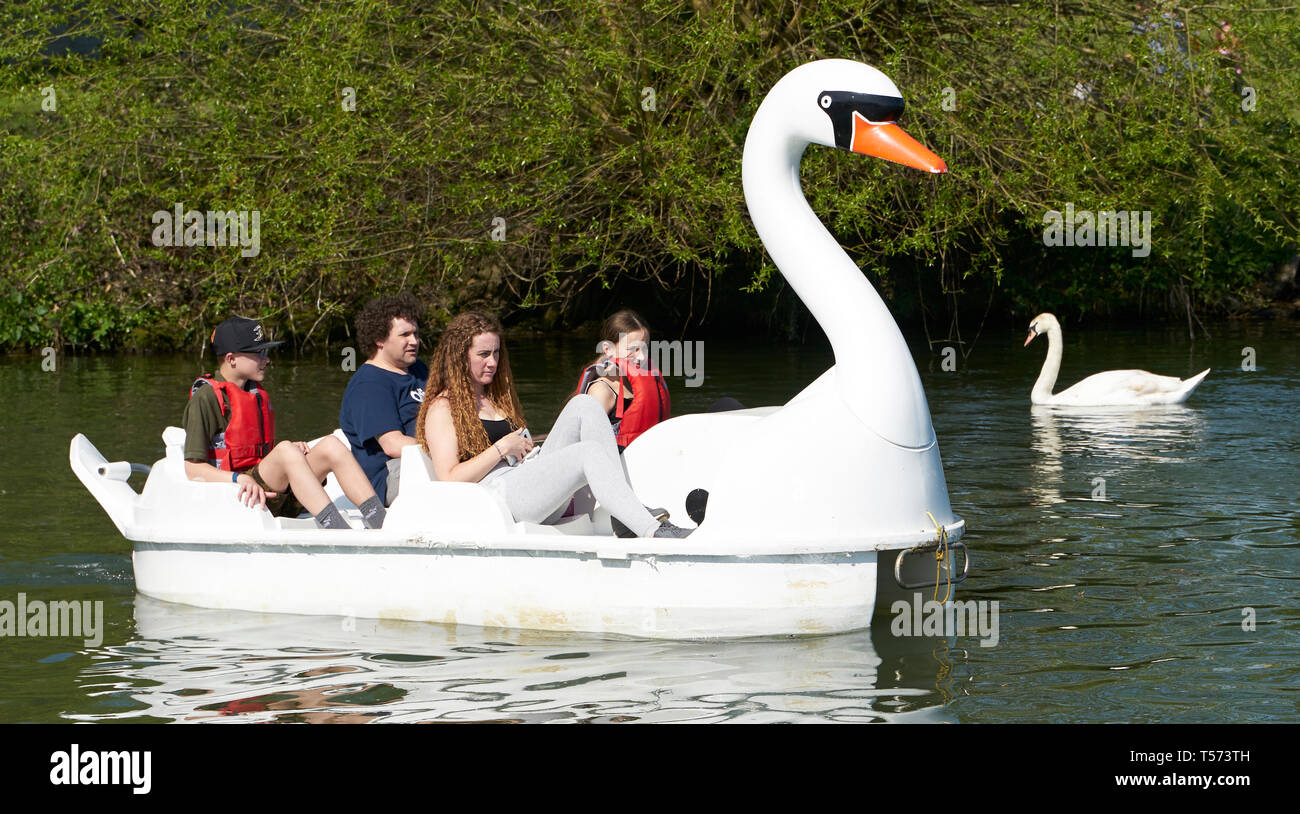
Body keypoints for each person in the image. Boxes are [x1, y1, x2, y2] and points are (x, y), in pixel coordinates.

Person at [416, 312, 692, 538]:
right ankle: (650, 529)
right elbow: (449, 479)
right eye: (483, 354)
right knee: (587, 452)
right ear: (459, 356)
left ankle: (624, 512)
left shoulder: (494, 399)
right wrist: (502, 448)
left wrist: (522, 446)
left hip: (528, 484)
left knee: (584, 405)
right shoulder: (443, 407)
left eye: (497, 353)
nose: (493, 362)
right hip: (498, 498)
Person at [182, 316, 386, 530]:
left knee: (332, 445)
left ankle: (381, 523)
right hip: (240, 497)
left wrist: (292, 454)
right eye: (258, 353)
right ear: (231, 359)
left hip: (272, 492)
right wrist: (237, 479)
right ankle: (338, 531)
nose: (267, 359)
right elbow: (192, 469)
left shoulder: (256, 393)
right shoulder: (205, 399)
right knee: (286, 450)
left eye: (266, 352)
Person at [339, 294, 428, 506]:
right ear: (380, 339)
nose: (414, 341)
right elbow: (393, 444)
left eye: (415, 333)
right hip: (392, 476)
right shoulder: (369, 384)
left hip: (427, 459)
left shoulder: (419, 370)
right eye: (405, 334)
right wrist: (447, 449)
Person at [575, 309, 670, 450]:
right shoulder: (601, 391)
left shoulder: (647, 383)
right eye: (633, 349)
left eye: (644, 349)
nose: (642, 357)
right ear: (608, 349)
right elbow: (586, 449)